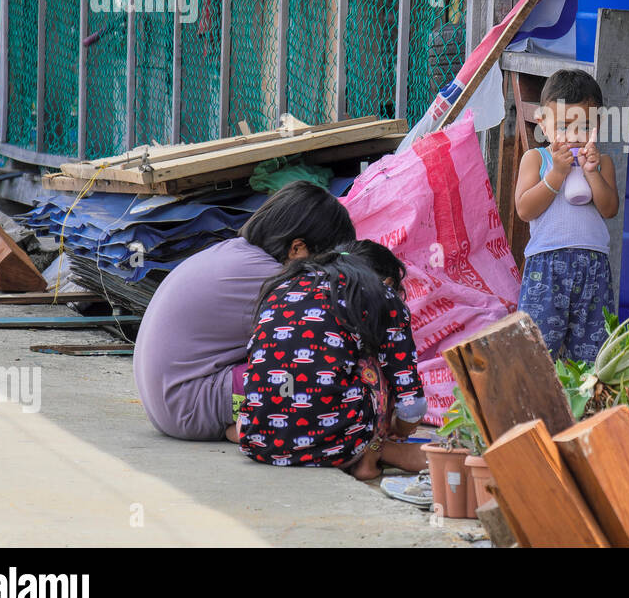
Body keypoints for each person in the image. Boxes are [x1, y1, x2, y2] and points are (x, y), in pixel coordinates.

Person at [133, 181, 356, 442]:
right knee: (315, 373)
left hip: (170, 403)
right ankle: (262, 430)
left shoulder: (234, 253)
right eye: (326, 262)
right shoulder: (271, 278)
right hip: (189, 406)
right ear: (297, 249)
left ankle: (240, 427)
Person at [238, 241, 425, 479]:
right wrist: (399, 429)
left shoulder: (283, 287)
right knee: (374, 364)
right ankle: (369, 455)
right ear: (388, 282)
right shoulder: (382, 294)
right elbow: (411, 401)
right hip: (342, 445)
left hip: (258, 441)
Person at [514, 69, 619, 359]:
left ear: (598, 124)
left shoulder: (602, 162)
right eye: (563, 126)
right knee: (536, 349)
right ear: (542, 123)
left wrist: (592, 173)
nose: (573, 137)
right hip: (546, 267)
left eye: (583, 127)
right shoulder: (536, 159)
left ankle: (586, 401)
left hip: (593, 267)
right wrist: (556, 175)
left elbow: (609, 209)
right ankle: (535, 400)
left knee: (593, 350)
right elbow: (524, 209)